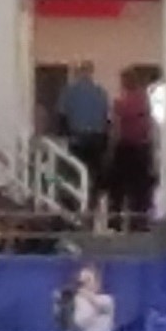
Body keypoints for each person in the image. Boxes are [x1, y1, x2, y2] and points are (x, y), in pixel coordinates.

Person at [107, 66, 155, 230]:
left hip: (126, 147)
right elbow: (148, 125)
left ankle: (115, 222)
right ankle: (139, 222)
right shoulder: (144, 100)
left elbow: (116, 126)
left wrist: (111, 147)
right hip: (142, 147)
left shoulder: (121, 103)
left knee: (118, 188)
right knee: (140, 190)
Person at [55, 61, 110, 205]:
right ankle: (91, 203)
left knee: (75, 172)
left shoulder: (69, 91)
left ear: (77, 73)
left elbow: (62, 116)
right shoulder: (100, 92)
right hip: (97, 139)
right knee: (94, 173)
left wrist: (62, 136)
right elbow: (106, 118)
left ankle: (76, 202)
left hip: (77, 138)